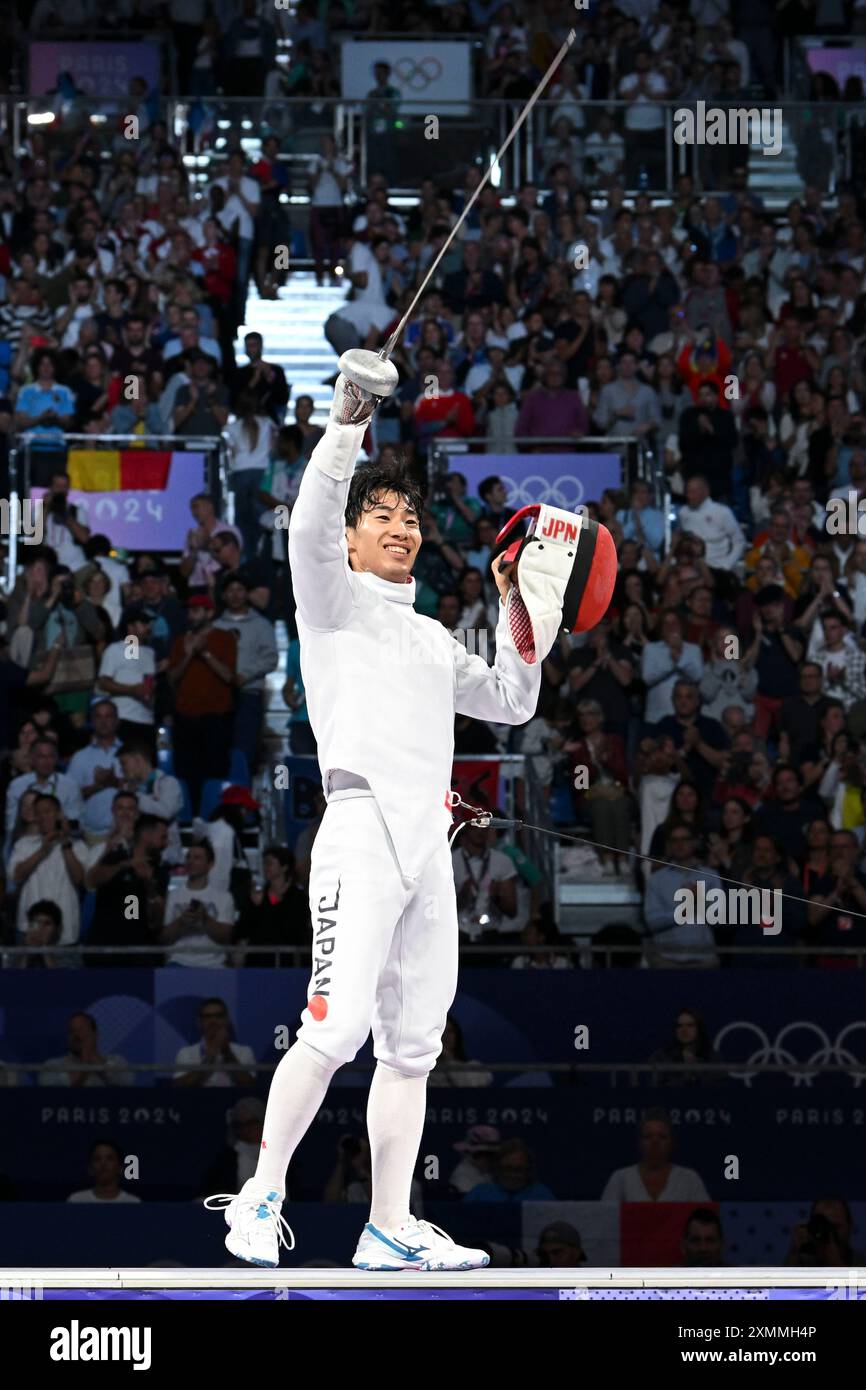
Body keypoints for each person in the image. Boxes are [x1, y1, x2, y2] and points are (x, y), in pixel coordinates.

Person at [205, 368, 549, 1273]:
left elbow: (513, 699)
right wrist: (348, 421)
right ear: (354, 541)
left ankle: (388, 1224)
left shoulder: (434, 639)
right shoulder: (332, 607)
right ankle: (262, 1190)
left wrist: (518, 594)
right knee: (333, 1026)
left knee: (413, 1048)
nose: (401, 530)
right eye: (382, 518)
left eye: (410, 519)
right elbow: (306, 528)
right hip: (358, 835)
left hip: (427, 850)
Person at [601, 1109, 711, 1202]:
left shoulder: (689, 1179)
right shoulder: (620, 1179)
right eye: (648, 1136)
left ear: (671, 1142)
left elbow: (707, 1220)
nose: (655, 1142)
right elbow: (604, 1219)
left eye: (662, 1136)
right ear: (639, 1142)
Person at [160, 839, 236, 968]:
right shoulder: (173, 895)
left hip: (214, 965)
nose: (190, 861)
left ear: (210, 864)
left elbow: (226, 937)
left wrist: (205, 918)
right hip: (179, 963)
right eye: (188, 857)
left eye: (197, 858)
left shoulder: (224, 897)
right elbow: (164, 938)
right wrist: (181, 922)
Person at [174, 998, 257, 1088]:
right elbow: (179, 1086)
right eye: (207, 1016)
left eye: (218, 1016)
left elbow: (250, 1085)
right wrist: (209, 1057)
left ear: (227, 1020)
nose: (213, 1021)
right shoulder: (186, 1053)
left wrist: (227, 1053)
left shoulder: (244, 1051)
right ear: (199, 1022)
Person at [40, 1011, 133, 1087]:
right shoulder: (52, 1065)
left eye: (82, 1030)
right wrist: (86, 1062)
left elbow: (123, 1084)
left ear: (95, 1035)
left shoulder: (118, 1061)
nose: (76, 1035)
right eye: (71, 1031)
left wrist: (91, 1056)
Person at [463, 1140, 555, 1202]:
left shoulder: (542, 1195)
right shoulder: (479, 1194)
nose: (513, 1175)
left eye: (519, 1169)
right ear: (497, 1168)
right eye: (507, 1168)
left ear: (528, 1170)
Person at [67, 1140, 142, 1204]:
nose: (103, 1163)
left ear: (120, 1168)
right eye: (97, 1159)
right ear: (90, 1169)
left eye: (110, 1159)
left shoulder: (133, 1202)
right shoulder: (76, 1200)